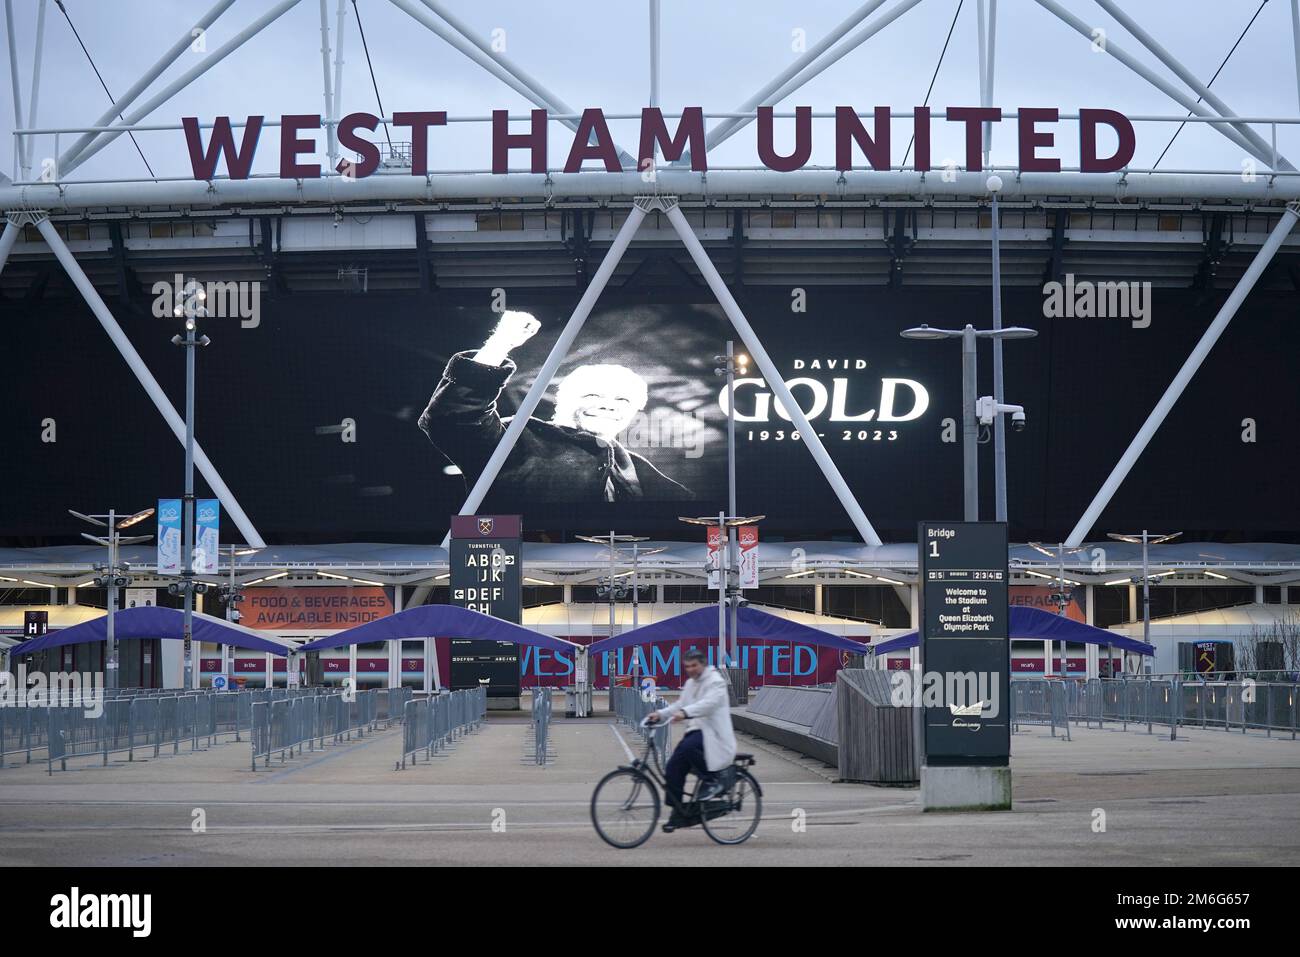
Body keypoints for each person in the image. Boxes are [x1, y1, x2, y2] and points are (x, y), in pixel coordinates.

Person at [418, 311, 693, 502]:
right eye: (594, 396)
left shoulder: (644, 473)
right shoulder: (515, 438)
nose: (610, 407)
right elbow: (454, 418)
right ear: (563, 401)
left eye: (623, 400)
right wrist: (501, 343)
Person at [646, 648, 737, 832]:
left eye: (694, 665)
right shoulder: (690, 684)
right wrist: (660, 714)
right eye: (687, 666)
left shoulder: (716, 682)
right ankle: (677, 812)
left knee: (688, 748)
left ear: (703, 664)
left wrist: (686, 713)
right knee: (673, 767)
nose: (691, 669)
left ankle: (713, 780)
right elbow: (680, 704)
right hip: (696, 733)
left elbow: (709, 704)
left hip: (714, 734)